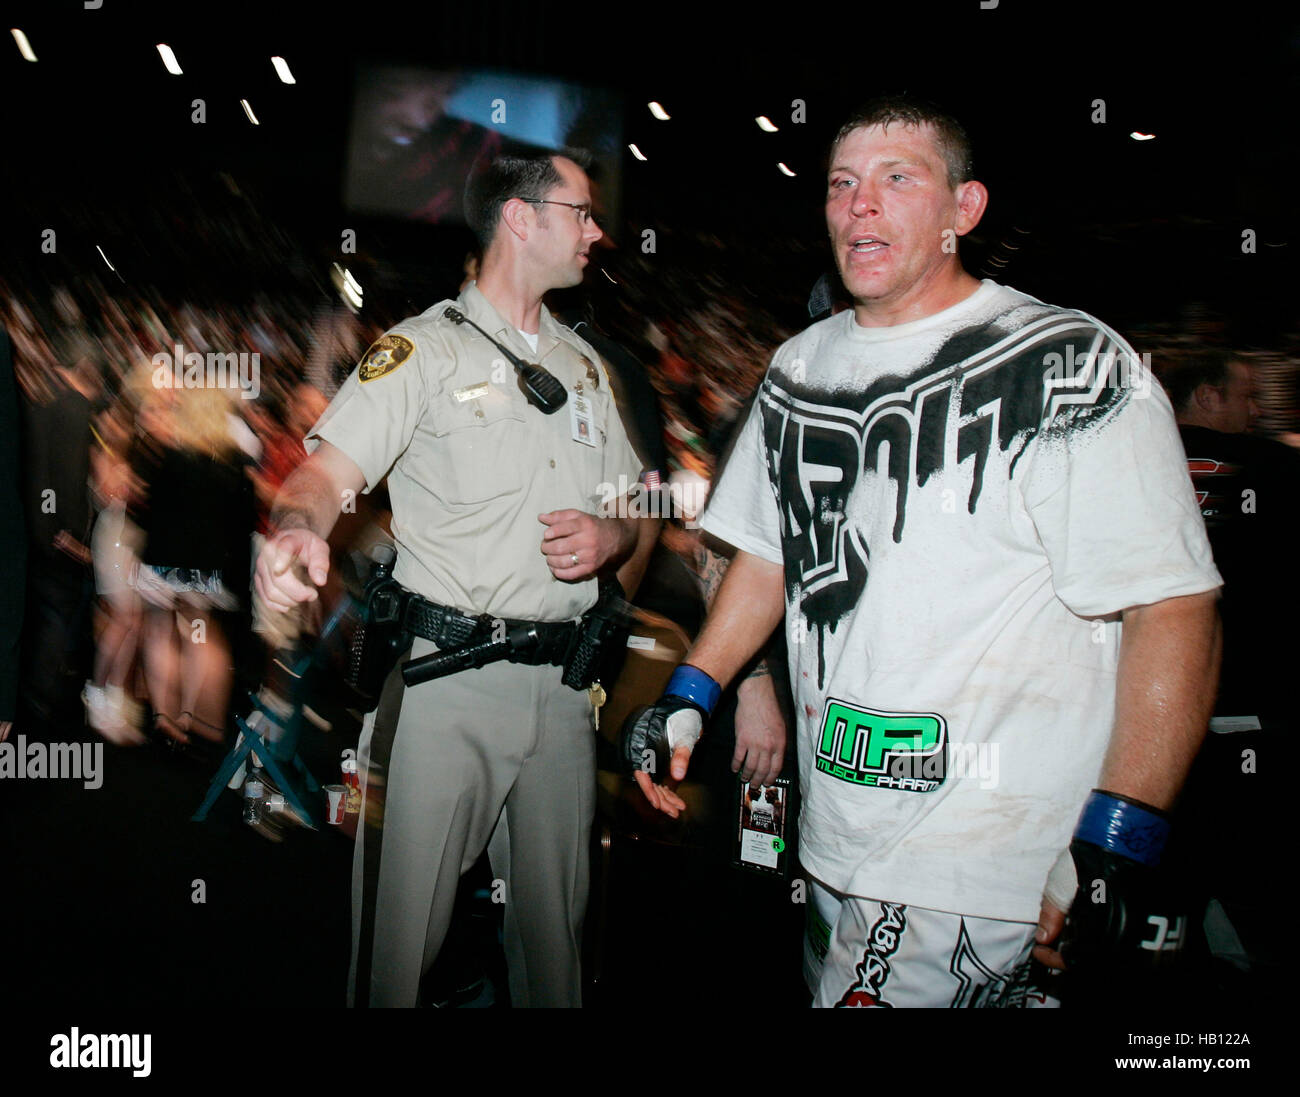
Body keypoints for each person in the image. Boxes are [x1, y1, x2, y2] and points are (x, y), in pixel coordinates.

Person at [626, 96, 1223, 1008]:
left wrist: (1115, 841)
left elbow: (1174, 608)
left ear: (963, 210)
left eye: (897, 179)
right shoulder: (799, 369)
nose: (859, 205)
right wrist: (690, 691)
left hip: (983, 868)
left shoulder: (1069, 363)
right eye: (841, 185)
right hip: (833, 840)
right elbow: (769, 556)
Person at [255, 149, 648, 1007]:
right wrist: (292, 533)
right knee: (396, 953)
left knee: (559, 955)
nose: (597, 231)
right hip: (445, 687)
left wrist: (612, 533)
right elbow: (324, 476)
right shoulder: (423, 351)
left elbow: (637, 504)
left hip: (563, 693)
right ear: (521, 217)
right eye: (581, 212)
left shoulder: (587, 371)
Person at [1156, 348, 1298, 988]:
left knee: (1169, 871)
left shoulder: (1131, 463)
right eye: (1246, 397)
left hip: (1144, 723)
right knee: (1254, 876)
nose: (1257, 409)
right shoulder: (1276, 469)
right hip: (1248, 715)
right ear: (1207, 397)